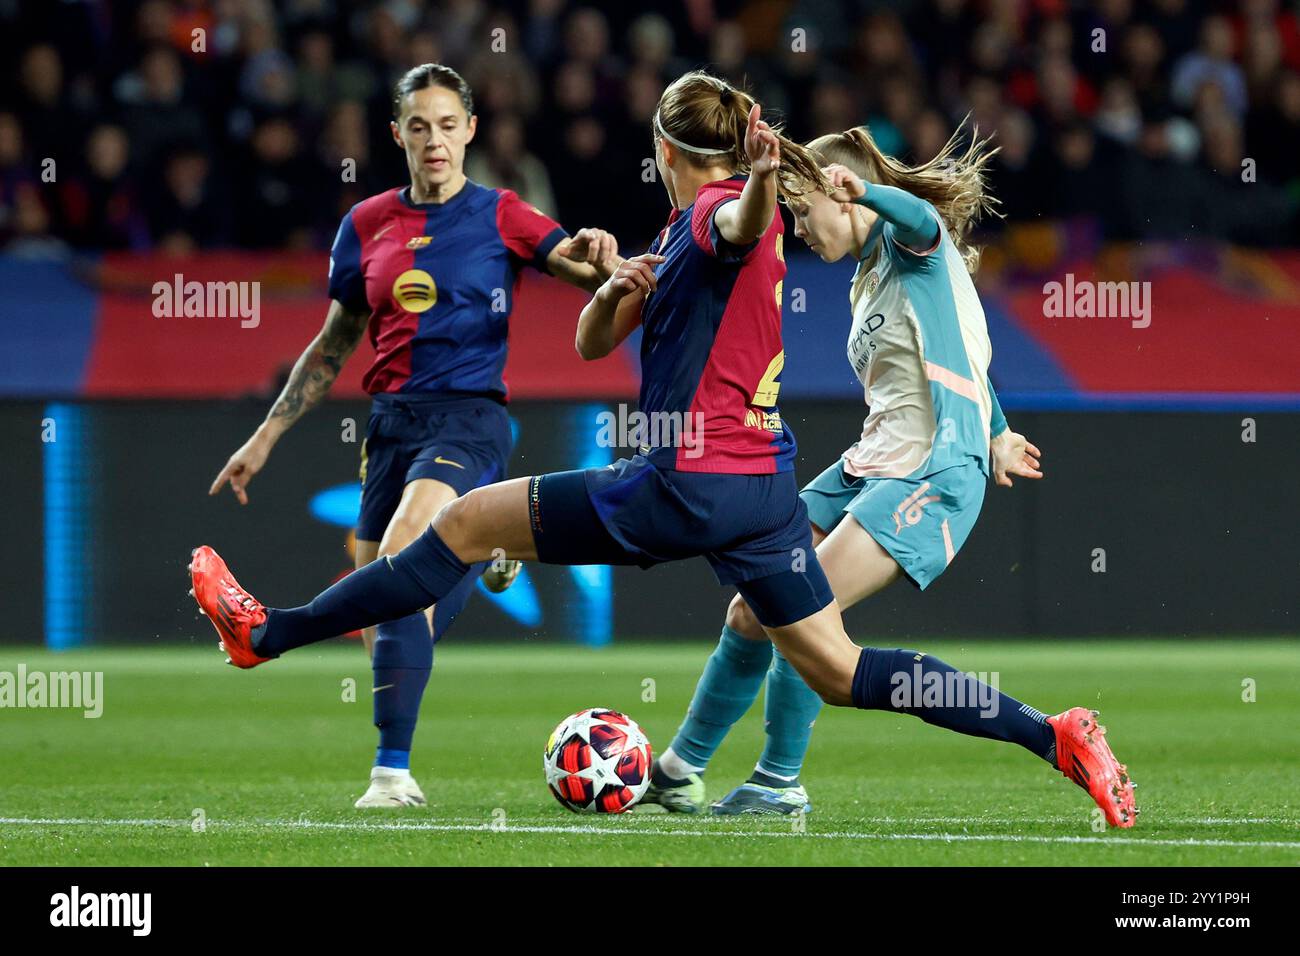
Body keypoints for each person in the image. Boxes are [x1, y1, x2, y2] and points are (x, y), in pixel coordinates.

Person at [190, 71, 1136, 828]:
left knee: (466, 523)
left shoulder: (723, 213)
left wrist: (765, 179)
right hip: (761, 491)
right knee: (836, 669)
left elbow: (745, 222)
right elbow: (594, 343)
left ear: (662, 150)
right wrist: (616, 284)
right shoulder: (681, 230)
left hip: (685, 480)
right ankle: (1053, 735)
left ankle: (267, 632)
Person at [206, 63, 622, 808]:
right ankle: (489, 551)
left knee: (402, 556)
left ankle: (390, 774)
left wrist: (605, 263)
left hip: (469, 418)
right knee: (387, 604)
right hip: (389, 426)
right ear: (398, 134)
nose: (435, 140)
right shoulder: (365, 225)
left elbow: (583, 272)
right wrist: (266, 435)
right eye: (419, 126)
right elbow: (335, 341)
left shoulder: (502, 213)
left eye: (448, 124)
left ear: (470, 130)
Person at [644, 124, 1047, 816]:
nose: (797, 227)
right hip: (872, 462)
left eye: (804, 210)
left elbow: (922, 219)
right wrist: (1001, 428)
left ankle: (779, 780)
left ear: (845, 194)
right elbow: (957, 353)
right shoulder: (867, 279)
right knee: (753, 604)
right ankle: (679, 770)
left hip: (932, 470)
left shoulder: (908, 244)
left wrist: (876, 195)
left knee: (802, 605)